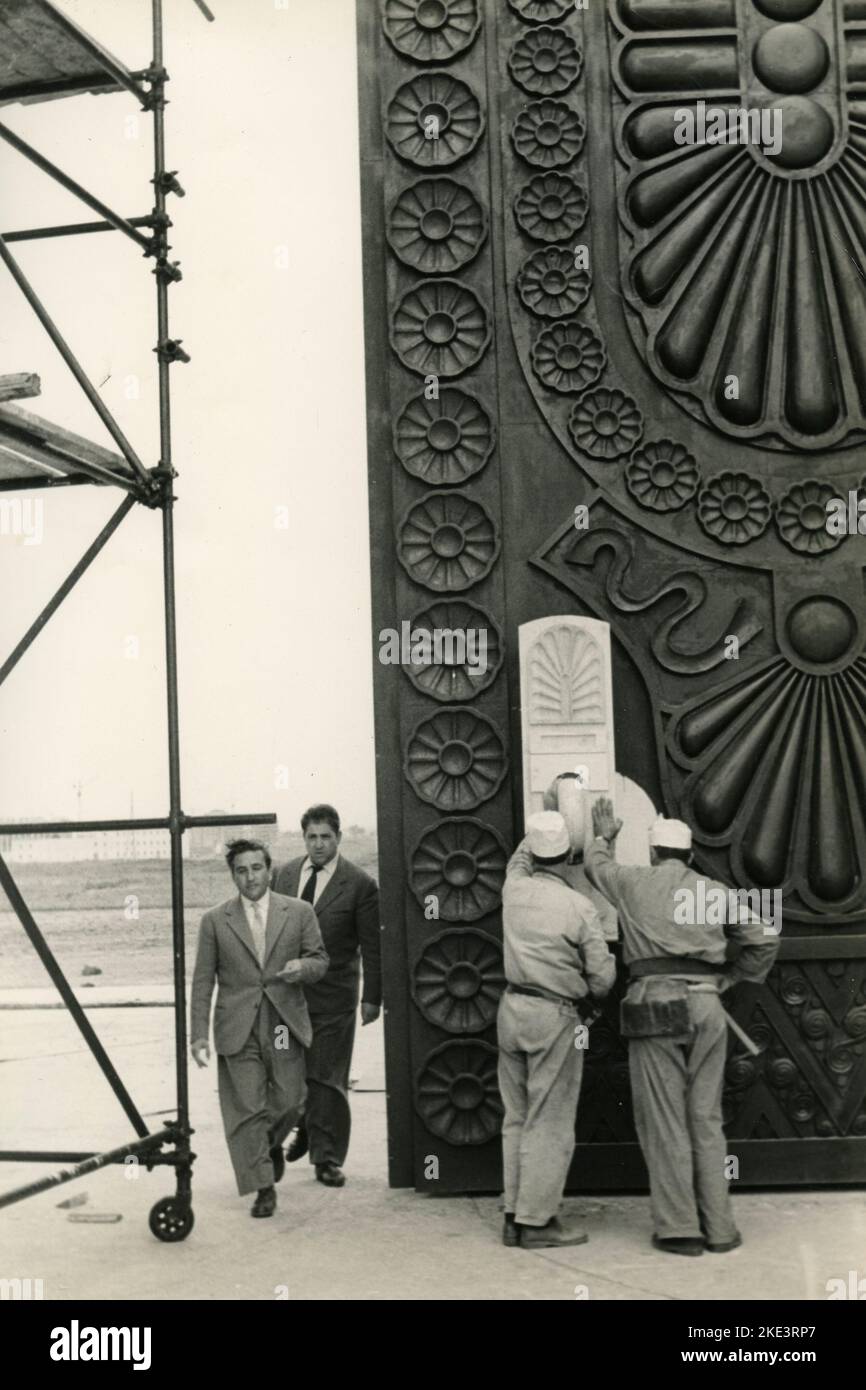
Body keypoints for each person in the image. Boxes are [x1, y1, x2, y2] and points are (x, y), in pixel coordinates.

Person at [585, 797, 780, 1257]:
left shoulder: (633, 882)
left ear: (654, 854)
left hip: (655, 1003)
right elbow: (764, 938)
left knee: (665, 1119)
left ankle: (679, 1229)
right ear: (689, 856)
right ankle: (720, 1229)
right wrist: (732, 978)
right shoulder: (712, 891)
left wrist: (603, 837)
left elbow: (596, 867)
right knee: (705, 1119)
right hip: (707, 1007)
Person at [190, 838, 328, 1217]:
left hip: (282, 1023)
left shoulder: (298, 912)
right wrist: (198, 1033)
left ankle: (268, 1148)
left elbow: (320, 960)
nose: (250, 877)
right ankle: (263, 1186)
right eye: (241, 870)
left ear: (269, 869)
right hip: (239, 1026)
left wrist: (304, 968)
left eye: (256, 868)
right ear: (232, 875)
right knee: (247, 1107)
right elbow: (203, 981)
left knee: (289, 1100)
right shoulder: (215, 920)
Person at [497, 810, 616, 1249]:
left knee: (517, 1117)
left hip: (511, 1009)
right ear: (568, 855)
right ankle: (537, 1222)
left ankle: (513, 1215)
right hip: (554, 1015)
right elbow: (603, 979)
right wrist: (600, 836)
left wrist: (549, 808)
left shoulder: (514, 887)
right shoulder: (577, 906)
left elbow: (519, 857)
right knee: (549, 1120)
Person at [272, 804, 382, 1188]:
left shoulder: (360, 885)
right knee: (288, 1077)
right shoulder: (283, 876)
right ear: (303, 839)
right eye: (311, 837)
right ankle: (303, 1122)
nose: (318, 845)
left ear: (339, 837)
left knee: (328, 1079)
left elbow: (372, 945)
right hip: (287, 999)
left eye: (326, 837)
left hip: (334, 998)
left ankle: (327, 1158)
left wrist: (373, 998)